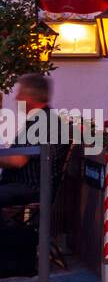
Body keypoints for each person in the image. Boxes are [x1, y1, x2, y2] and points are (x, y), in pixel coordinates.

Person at [0, 74, 51, 216]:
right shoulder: (39, 120)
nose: (16, 98)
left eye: (20, 93)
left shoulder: (43, 123)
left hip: (28, 187)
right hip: (21, 185)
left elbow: (18, 160)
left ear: (31, 97)